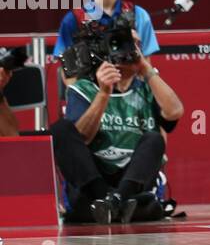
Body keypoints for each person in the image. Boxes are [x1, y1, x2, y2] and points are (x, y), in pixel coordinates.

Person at [53, 29, 184, 223]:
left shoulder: (149, 89)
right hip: (95, 179)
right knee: (60, 129)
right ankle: (109, 201)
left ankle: (115, 201)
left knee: (154, 139)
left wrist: (146, 69)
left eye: (135, 44)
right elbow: (82, 138)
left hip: (133, 180)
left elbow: (175, 112)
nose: (131, 49)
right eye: (122, 43)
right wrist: (104, 94)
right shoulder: (84, 89)